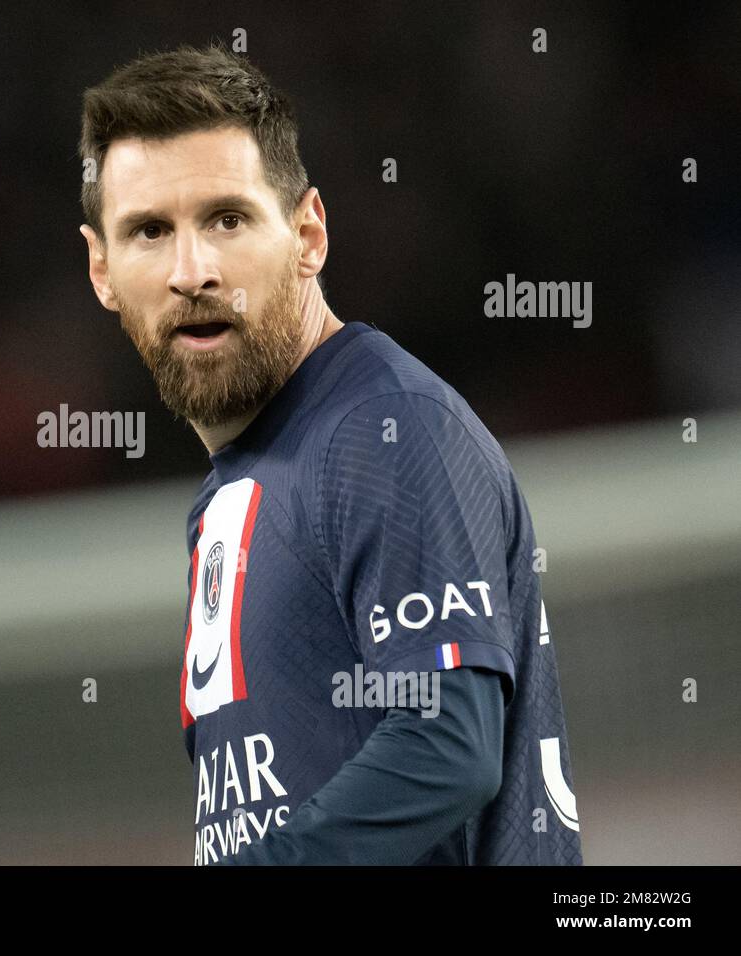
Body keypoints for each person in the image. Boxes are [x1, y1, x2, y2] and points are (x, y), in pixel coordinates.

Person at [77, 43, 582, 865]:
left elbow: (447, 744)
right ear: (102, 270)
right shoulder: (243, 482)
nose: (192, 271)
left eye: (227, 219)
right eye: (149, 233)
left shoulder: (384, 428)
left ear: (308, 234)